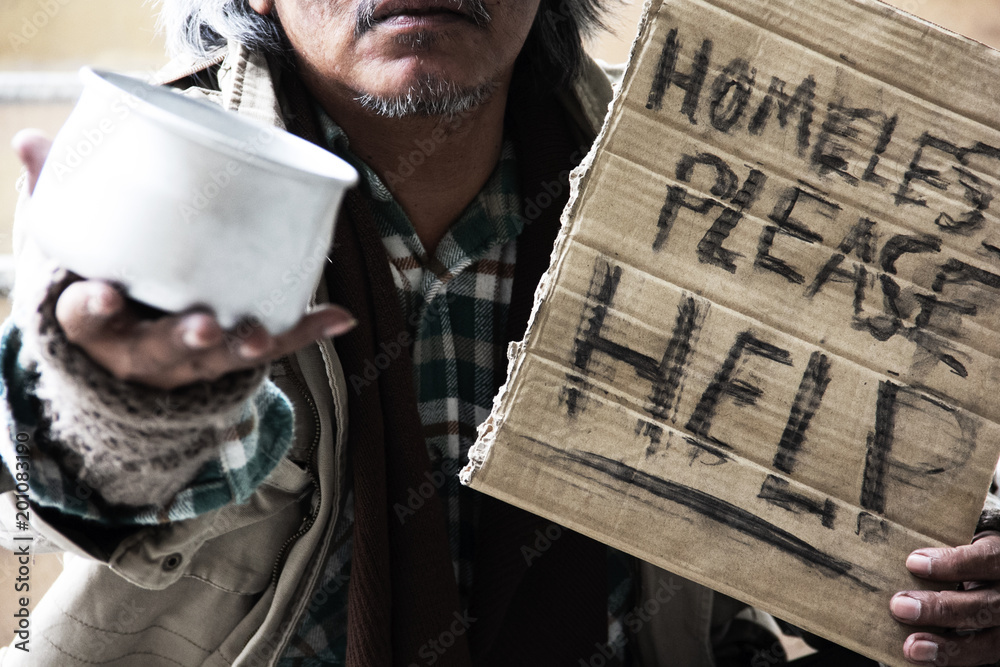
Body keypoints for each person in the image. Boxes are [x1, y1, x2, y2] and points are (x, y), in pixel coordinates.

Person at [3, 0, 1000, 664]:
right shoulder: (155, 163)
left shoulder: (711, 186)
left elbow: (793, 562)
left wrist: (941, 605)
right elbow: (69, 468)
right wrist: (126, 398)